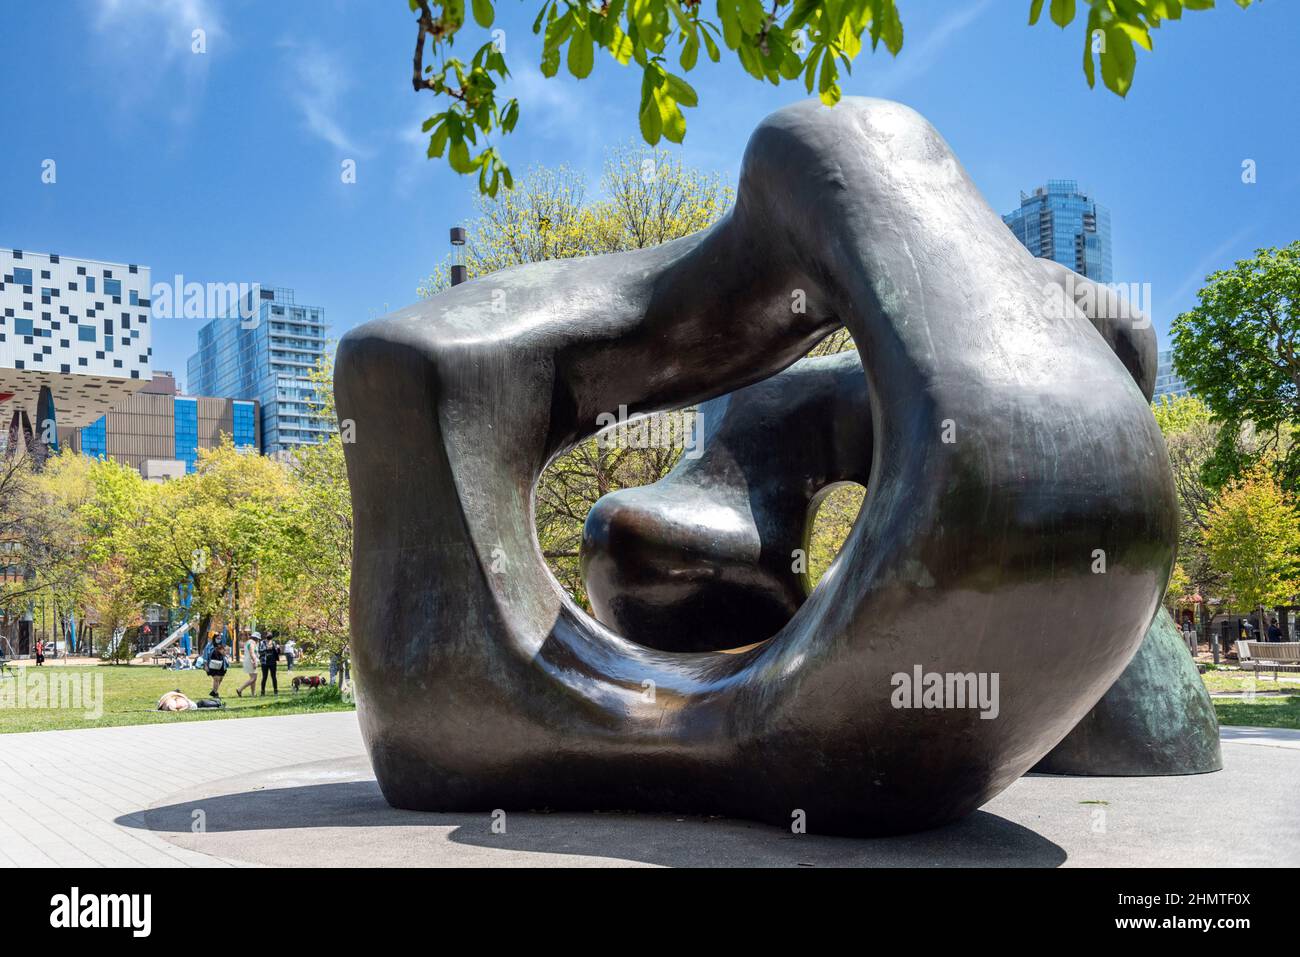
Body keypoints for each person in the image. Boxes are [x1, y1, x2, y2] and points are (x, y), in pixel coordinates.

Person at [235, 631, 259, 697]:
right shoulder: (252, 642)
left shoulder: (248, 642)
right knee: (253, 678)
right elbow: (252, 653)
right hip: (251, 661)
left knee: (253, 679)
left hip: (248, 661)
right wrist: (255, 661)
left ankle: (253, 694)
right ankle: (240, 689)